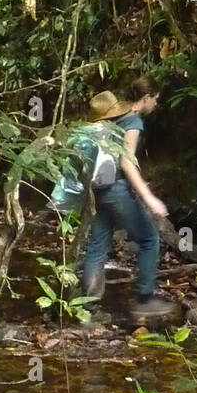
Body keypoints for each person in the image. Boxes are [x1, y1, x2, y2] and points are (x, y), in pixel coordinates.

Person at [80, 79, 177, 320]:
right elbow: (126, 161)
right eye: (155, 99)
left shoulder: (109, 118)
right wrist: (149, 197)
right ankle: (144, 299)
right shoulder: (133, 121)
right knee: (149, 239)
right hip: (116, 188)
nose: (156, 104)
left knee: (98, 244)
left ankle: (87, 307)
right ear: (146, 98)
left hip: (98, 188)